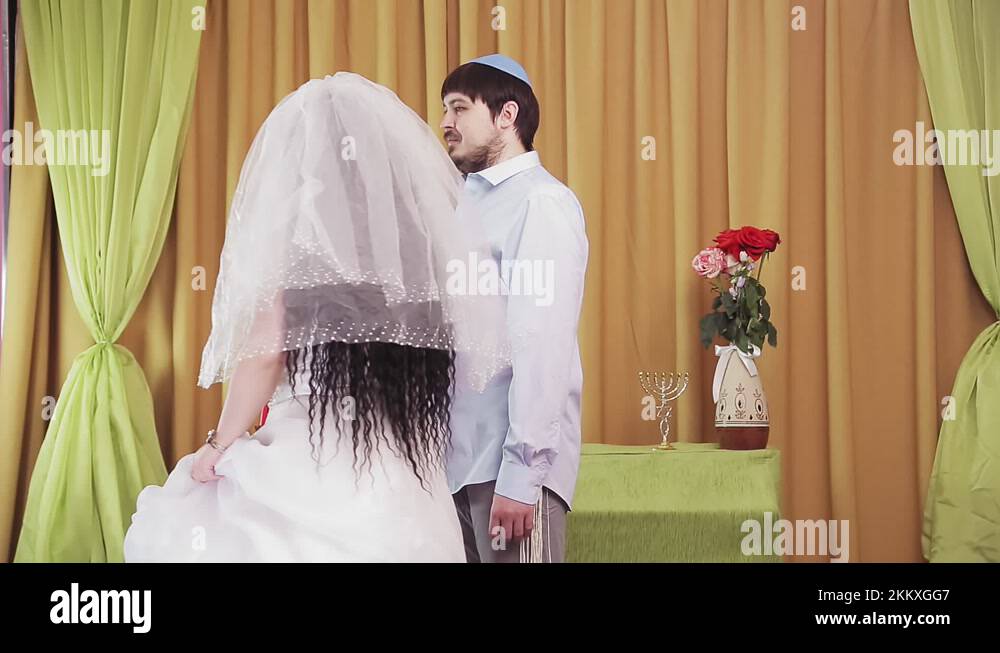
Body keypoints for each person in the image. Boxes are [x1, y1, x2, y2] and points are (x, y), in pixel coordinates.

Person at [123, 72, 508, 563]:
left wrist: (217, 446)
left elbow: (263, 358)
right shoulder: (418, 255)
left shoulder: (300, 246)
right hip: (409, 490)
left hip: (307, 461)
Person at [440, 55, 589, 563]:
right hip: (454, 467)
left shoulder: (540, 203)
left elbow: (539, 340)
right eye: (444, 109)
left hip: (507, 470)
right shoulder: (461, 204)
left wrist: (523, 474)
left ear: (507, 115)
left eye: (459, 108)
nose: (445, 123)